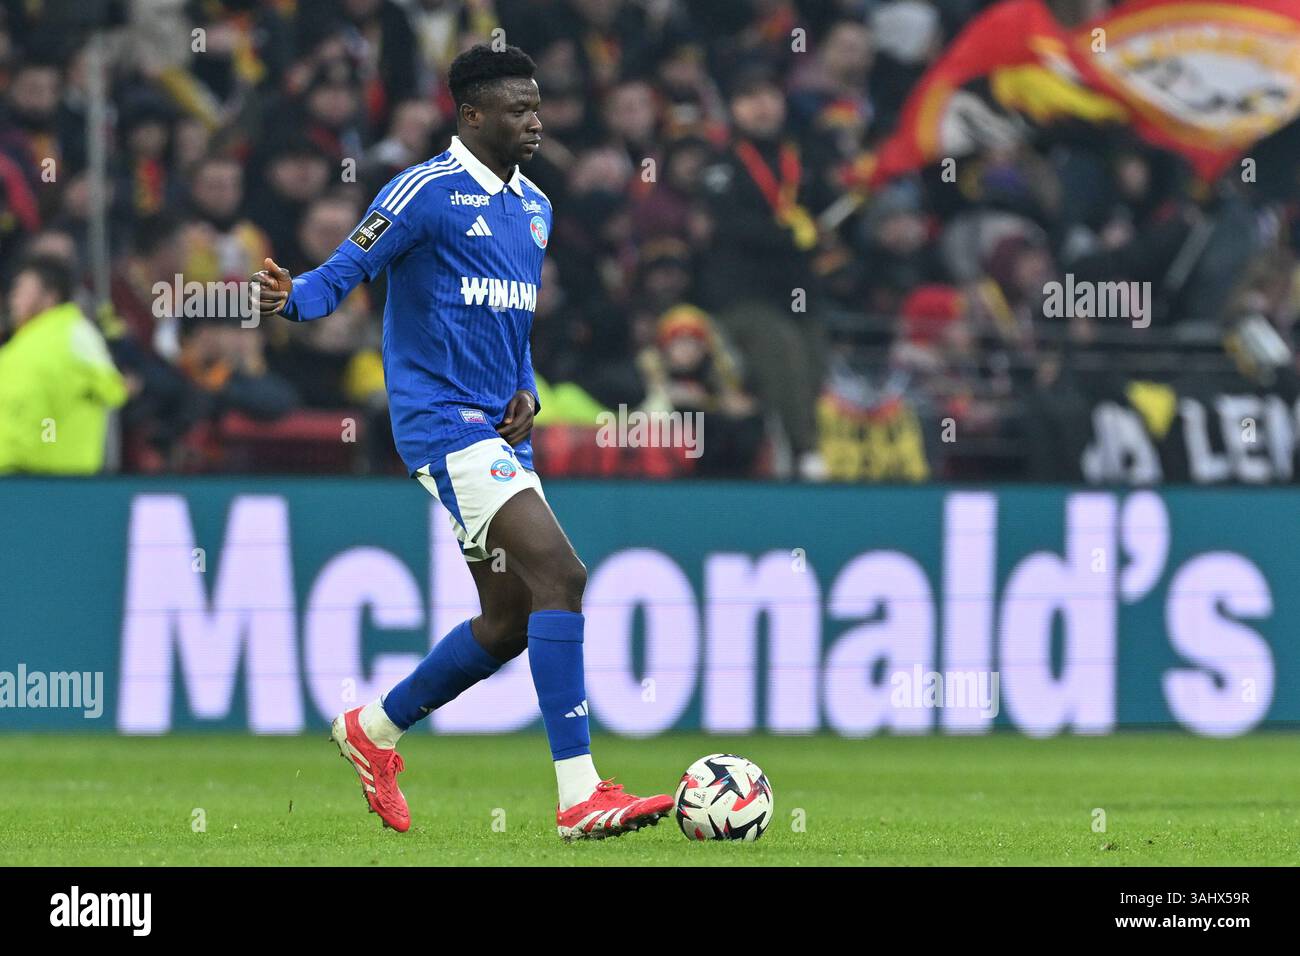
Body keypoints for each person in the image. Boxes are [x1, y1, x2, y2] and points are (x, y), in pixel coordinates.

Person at [250, 44, 673, 840]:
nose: (537, 120)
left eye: (539, 105)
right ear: (472, 115)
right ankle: (579, 794)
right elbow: (344, 270)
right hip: (440, 423)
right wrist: (294, 297)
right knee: (563, 574)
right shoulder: (424, 192)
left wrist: (529, 389)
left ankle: (373, 730)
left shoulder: (536, 208)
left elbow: (512, 323)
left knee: (511, 619)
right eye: (519, 109)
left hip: (497, 425)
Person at [0, 255, 127, 474]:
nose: (14, 299)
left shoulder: (71, 334)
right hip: (25, 474)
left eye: (22, 289)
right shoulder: (26, 341)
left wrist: (40, 443)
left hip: (42, 476)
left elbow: (110, 387)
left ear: (50, 296)